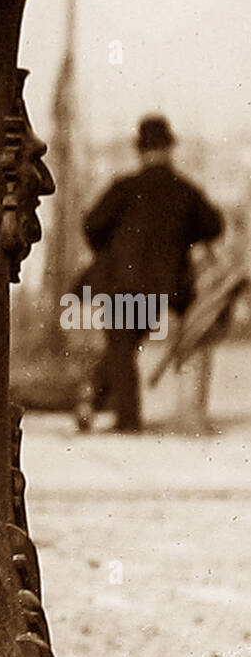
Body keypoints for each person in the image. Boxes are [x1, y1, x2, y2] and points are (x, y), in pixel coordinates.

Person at [76, 116, 224, 432]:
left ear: (140, 151)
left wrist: (111, 250)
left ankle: (120, 417)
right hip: (165, 287)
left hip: (122, 281)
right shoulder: (184, 190)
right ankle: (94, 400)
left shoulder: (125, 188)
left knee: (120, 345)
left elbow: (92, 226)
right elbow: (213, 225)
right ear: (169, 149)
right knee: (123, 346)